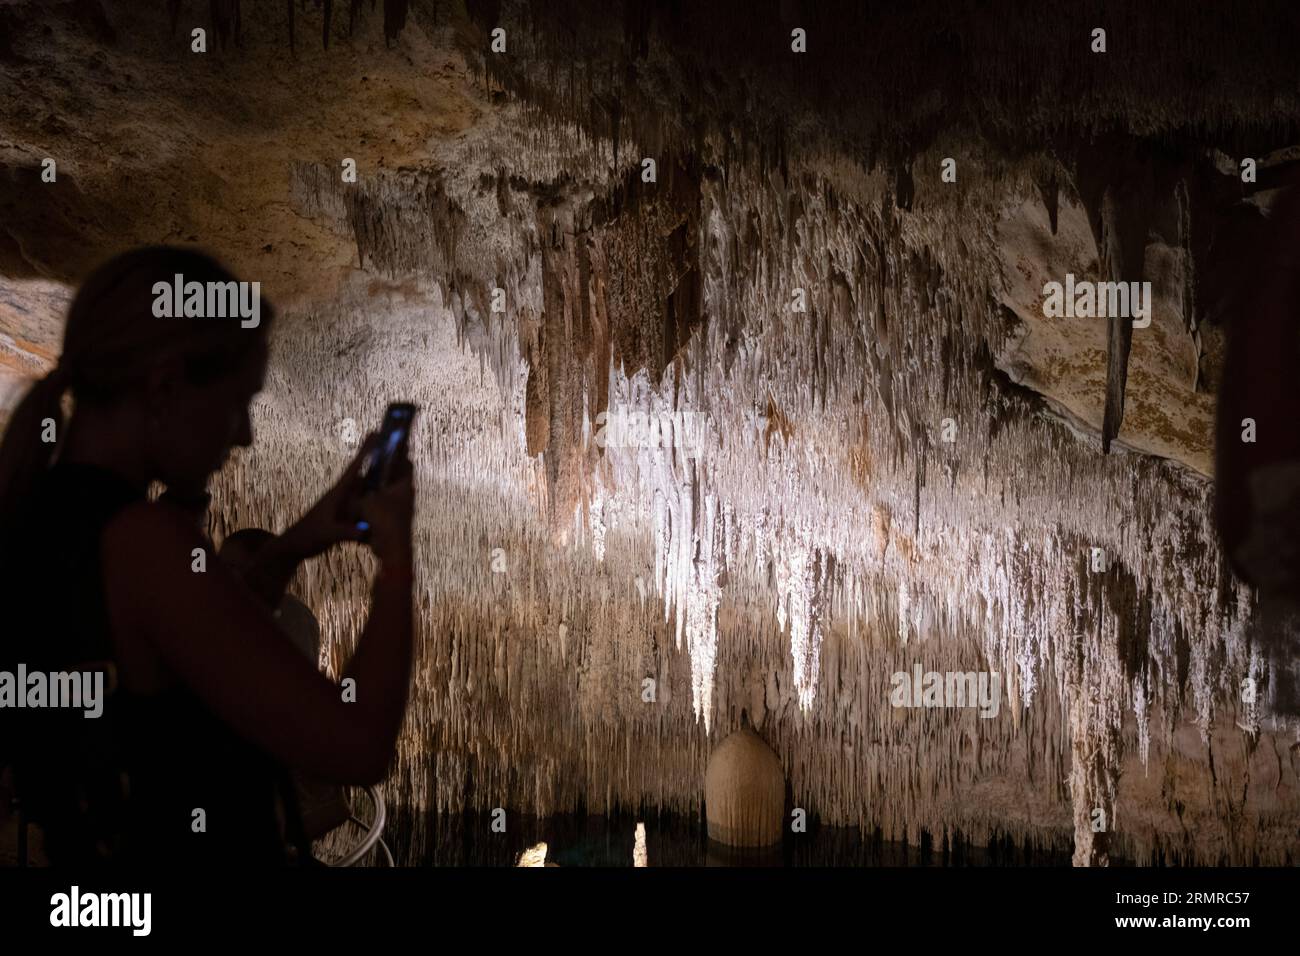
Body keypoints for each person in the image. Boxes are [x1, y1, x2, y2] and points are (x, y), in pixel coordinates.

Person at [0, 245, 415, 867]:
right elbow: (357, 747)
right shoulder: (144, 540)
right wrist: (398, 559)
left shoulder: (44, 515)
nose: (245, 434)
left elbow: (169, 670)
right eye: (238, 402)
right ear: (165, 387)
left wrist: (293, 546)